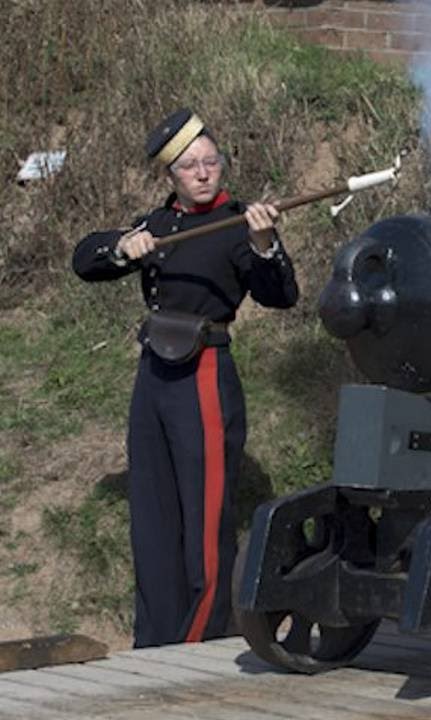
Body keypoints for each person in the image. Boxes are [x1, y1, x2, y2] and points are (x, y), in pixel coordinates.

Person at [71, 109, 299, 648]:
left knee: (204, 519)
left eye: (210, 162)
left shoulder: (240, 223)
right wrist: (122, 247)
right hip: (153, 375)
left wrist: (265, 245)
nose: (203, 173)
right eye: (190, 166)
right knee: (152, 517)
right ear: (171, 176)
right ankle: (154, 643)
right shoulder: (158, 223)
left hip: (203, 373)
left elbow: (281, 295)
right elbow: (84, 260)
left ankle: (202, 638)